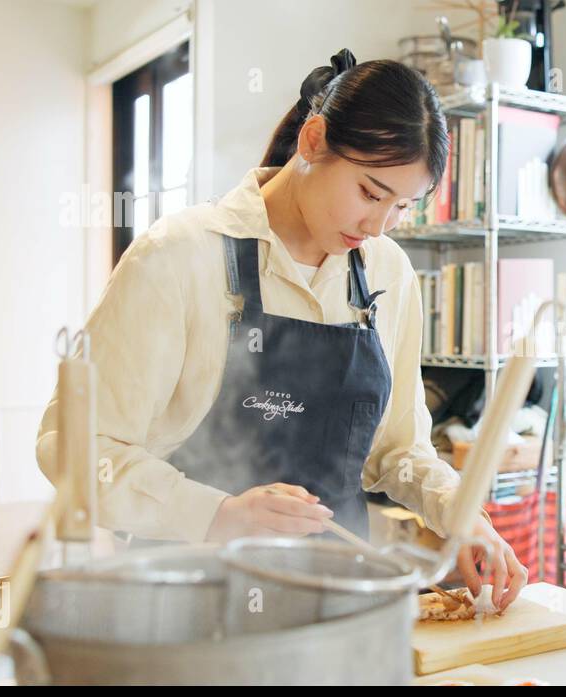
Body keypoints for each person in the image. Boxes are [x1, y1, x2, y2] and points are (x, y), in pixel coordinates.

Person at [36, 50, 526, 610]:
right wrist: (217, 514)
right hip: (183, 604)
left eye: (402, 206)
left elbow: (399, 451)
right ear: (313, 140)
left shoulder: (387, 272)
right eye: (370, 193)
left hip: (336, 603)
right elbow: (76, 447)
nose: (378, 225)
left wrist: (462, 516)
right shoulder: (178, 256)